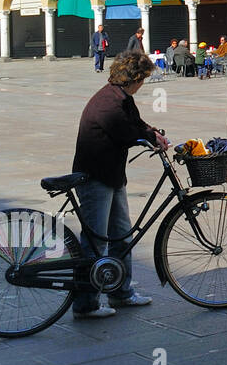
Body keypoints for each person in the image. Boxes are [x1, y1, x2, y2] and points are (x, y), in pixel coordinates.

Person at [71, 51, 168, 318]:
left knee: (122, 236)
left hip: (112, 176)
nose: (143, 84)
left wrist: (153, 133)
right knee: (96, 242)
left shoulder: (121, 98)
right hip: (95, 178)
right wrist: (148, 137)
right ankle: (86, 303)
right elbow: (125, 132)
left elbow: (136, 123)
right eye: (143, 79)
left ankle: (121, 291)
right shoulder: (108, 103)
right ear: (134, 78)